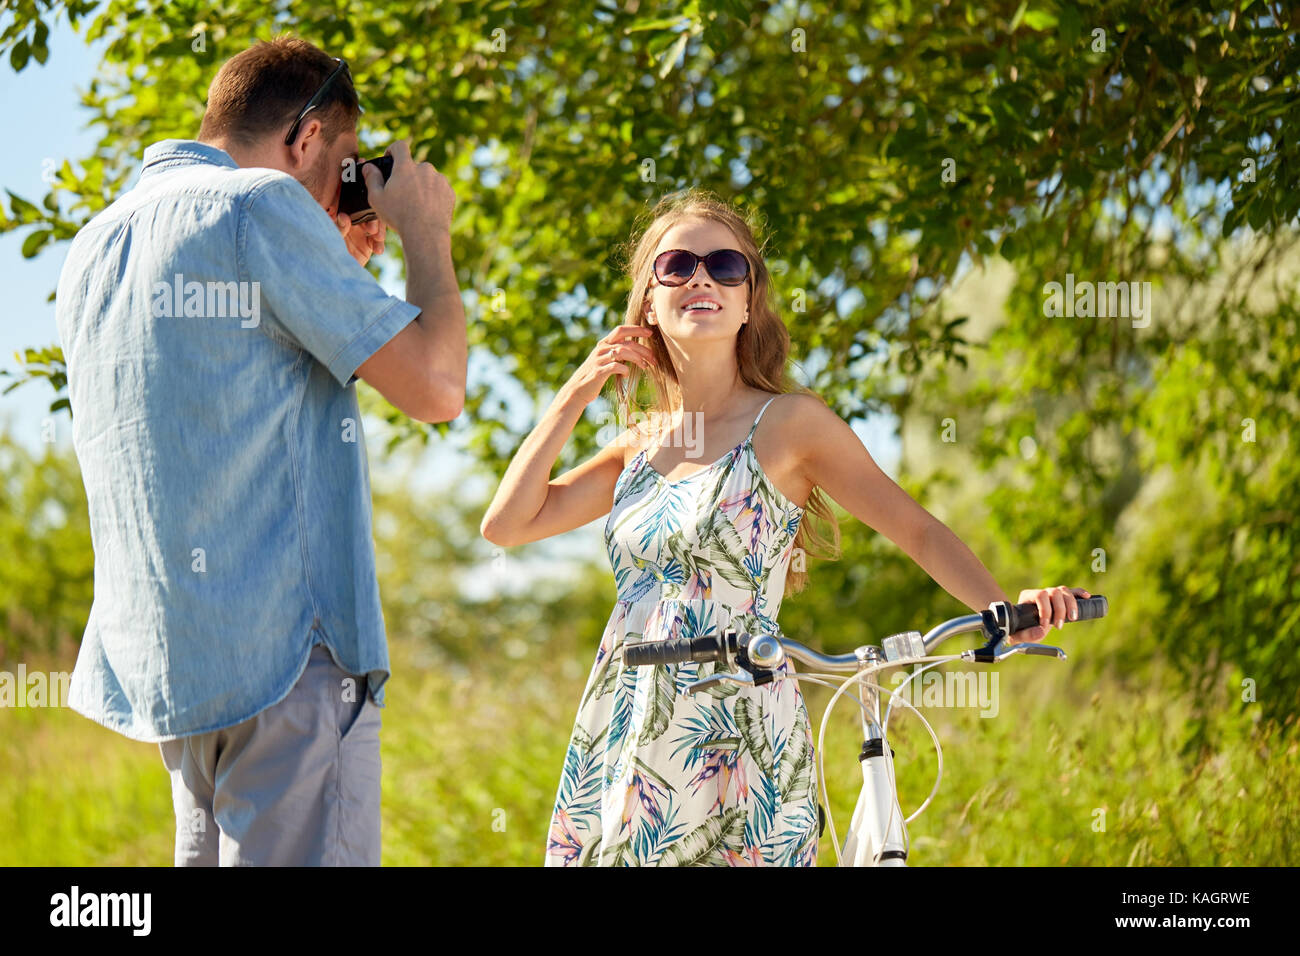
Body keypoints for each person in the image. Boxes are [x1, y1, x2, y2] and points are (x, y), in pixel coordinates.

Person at [480, 189, 1089, 866]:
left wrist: (1000, 609)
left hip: (739, 728)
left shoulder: (791, 425)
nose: (702, 278)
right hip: (627, 720)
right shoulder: (638, 446)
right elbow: (506, 525)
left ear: (748, 302)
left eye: (726, 267)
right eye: (677, 265)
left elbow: (915, 528)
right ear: (649, 301)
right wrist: (575, 394)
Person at [54, 35, 466, 865]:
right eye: (343, 162)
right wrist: (426, 234)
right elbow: (436, 388)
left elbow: (222, 391)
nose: (336, 193)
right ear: (307, 137)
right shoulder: (258, 208)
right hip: (291, 661)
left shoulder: (94, 247)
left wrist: (333, 268)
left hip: (183, 669)